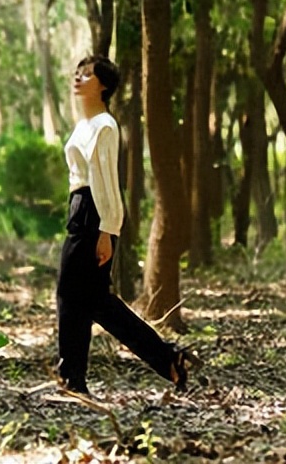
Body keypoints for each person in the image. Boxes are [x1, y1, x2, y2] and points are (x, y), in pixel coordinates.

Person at [55, 54, 196, 396]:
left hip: (95, 214)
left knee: (72, 296)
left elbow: (106, 182)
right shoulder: (82, 125)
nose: (78, 78)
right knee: (94, 302)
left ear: (102, 86)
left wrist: (108, 231)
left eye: (87, 75)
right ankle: (167, 359)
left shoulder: (105, 125)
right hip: (80, 209)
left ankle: (73, 377)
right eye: (78, 73)